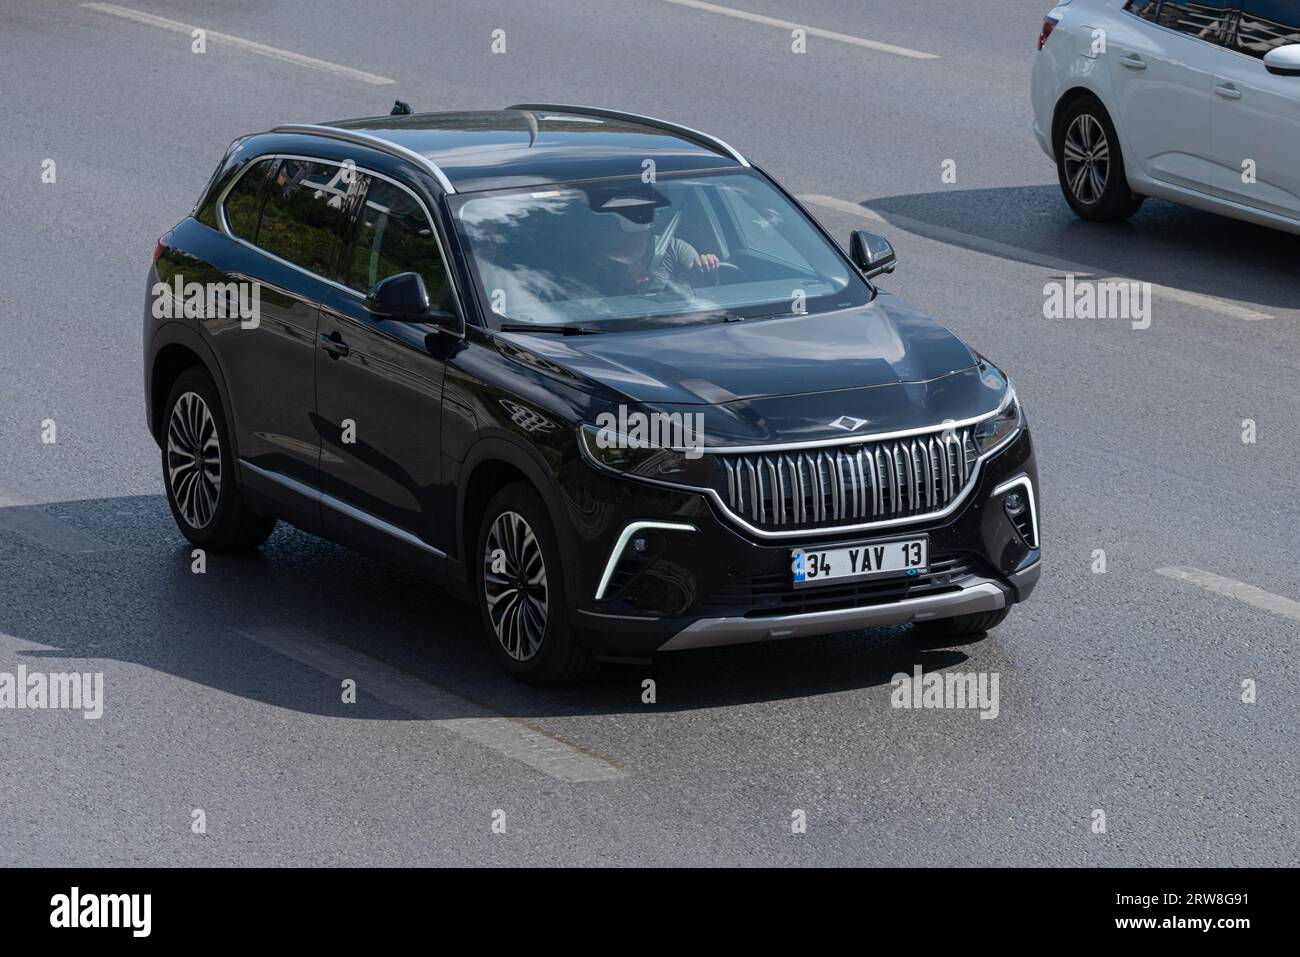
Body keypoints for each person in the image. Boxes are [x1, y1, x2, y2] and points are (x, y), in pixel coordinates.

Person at [593, 213, 720, 297]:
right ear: (612, 227)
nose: (636, 231)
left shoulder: (676, 249)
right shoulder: (594, 260)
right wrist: (623, 285)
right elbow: (586, 304)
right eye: (627, 223)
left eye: (640, 220)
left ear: (650, 223)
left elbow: (701, 295)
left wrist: (706, 268)